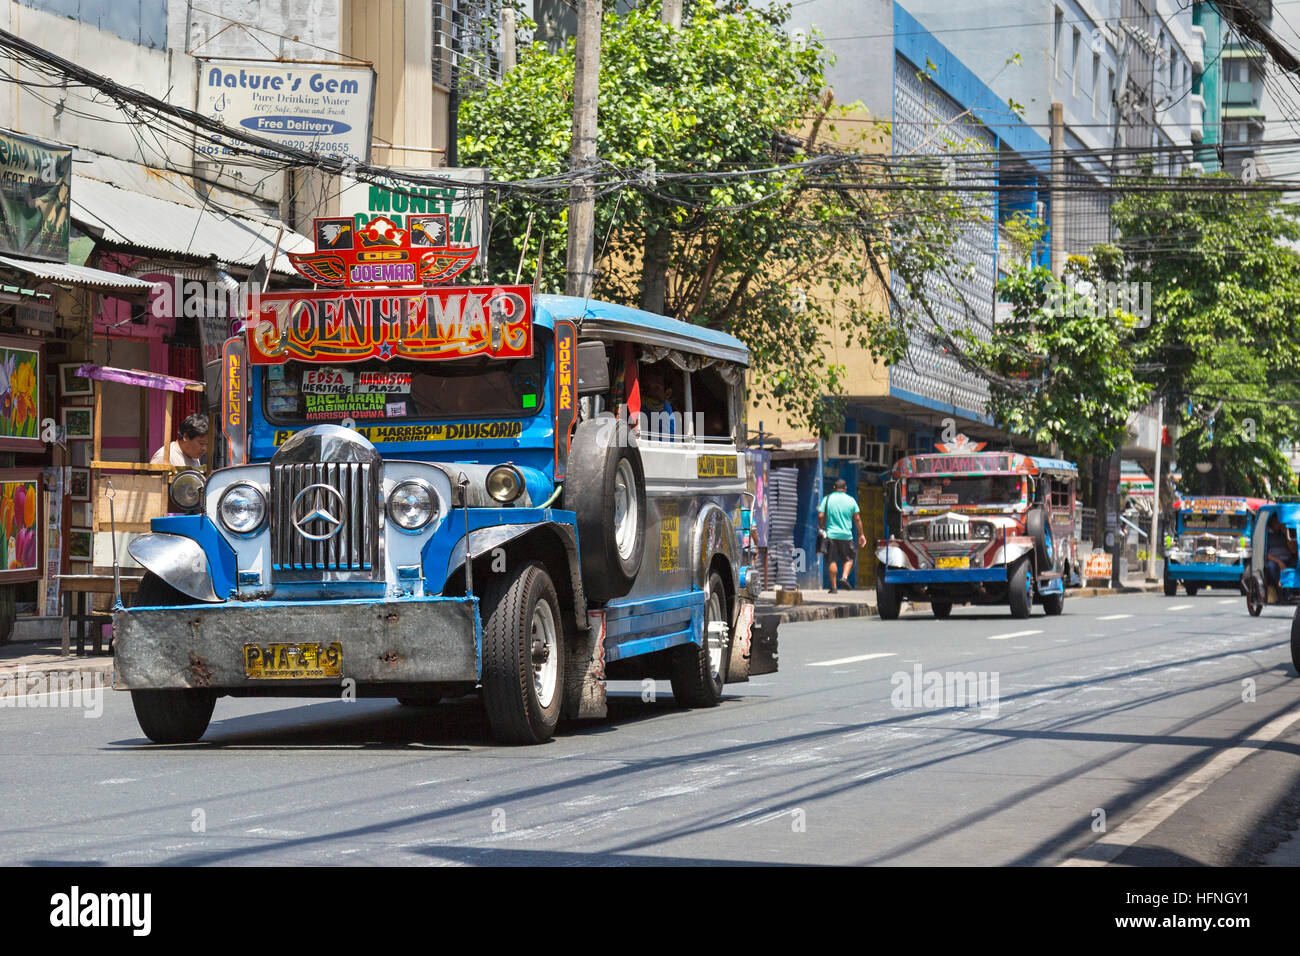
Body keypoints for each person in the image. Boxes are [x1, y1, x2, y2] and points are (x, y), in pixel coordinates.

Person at [818, 477, 867, 593]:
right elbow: (857, 519)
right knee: (849, 559)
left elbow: (820, 516)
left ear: (834, 488)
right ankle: (844, 577)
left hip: (830, 535)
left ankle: (834, 587)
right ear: (845, 488)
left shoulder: (827, 499)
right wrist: (861, 535)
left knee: (831, 560)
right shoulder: (851, 500)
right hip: (846, 536)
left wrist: (821, 527)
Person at [1263, 512, 1297, 593]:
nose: (1278, 524)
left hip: (1287, 558)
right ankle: (1279, 588)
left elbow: (1293, 549)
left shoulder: (1285, 533)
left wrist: (1286, 533)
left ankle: (1294, 588)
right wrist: (1279, 562)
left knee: (1296, 564)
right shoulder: (1267, 534)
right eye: (1276, 522)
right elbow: (1265, 553)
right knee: (1271, 567)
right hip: (1274, 560)